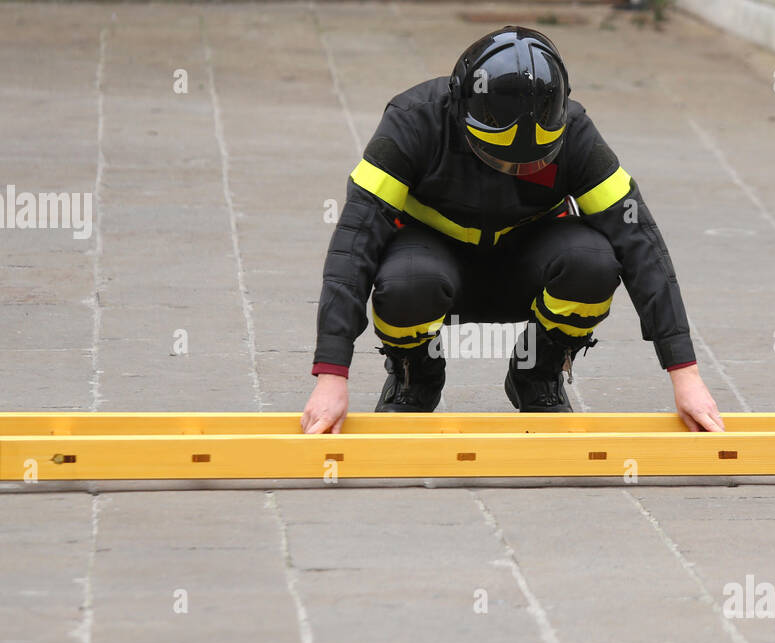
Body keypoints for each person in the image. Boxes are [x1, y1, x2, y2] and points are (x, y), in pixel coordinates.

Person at [300, 26, 724, 434]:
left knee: (593, 261)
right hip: (432, 267)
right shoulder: (413, 123)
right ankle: (415, 374)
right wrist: (332, 375)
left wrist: (684, 374)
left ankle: (536, 373)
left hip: (526, 264)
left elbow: (641, 244)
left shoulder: (576, 133)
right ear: (460, 113)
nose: (516, 170)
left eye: (531, 164)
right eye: (499, 159)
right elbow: (352, 248)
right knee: (408, 281)